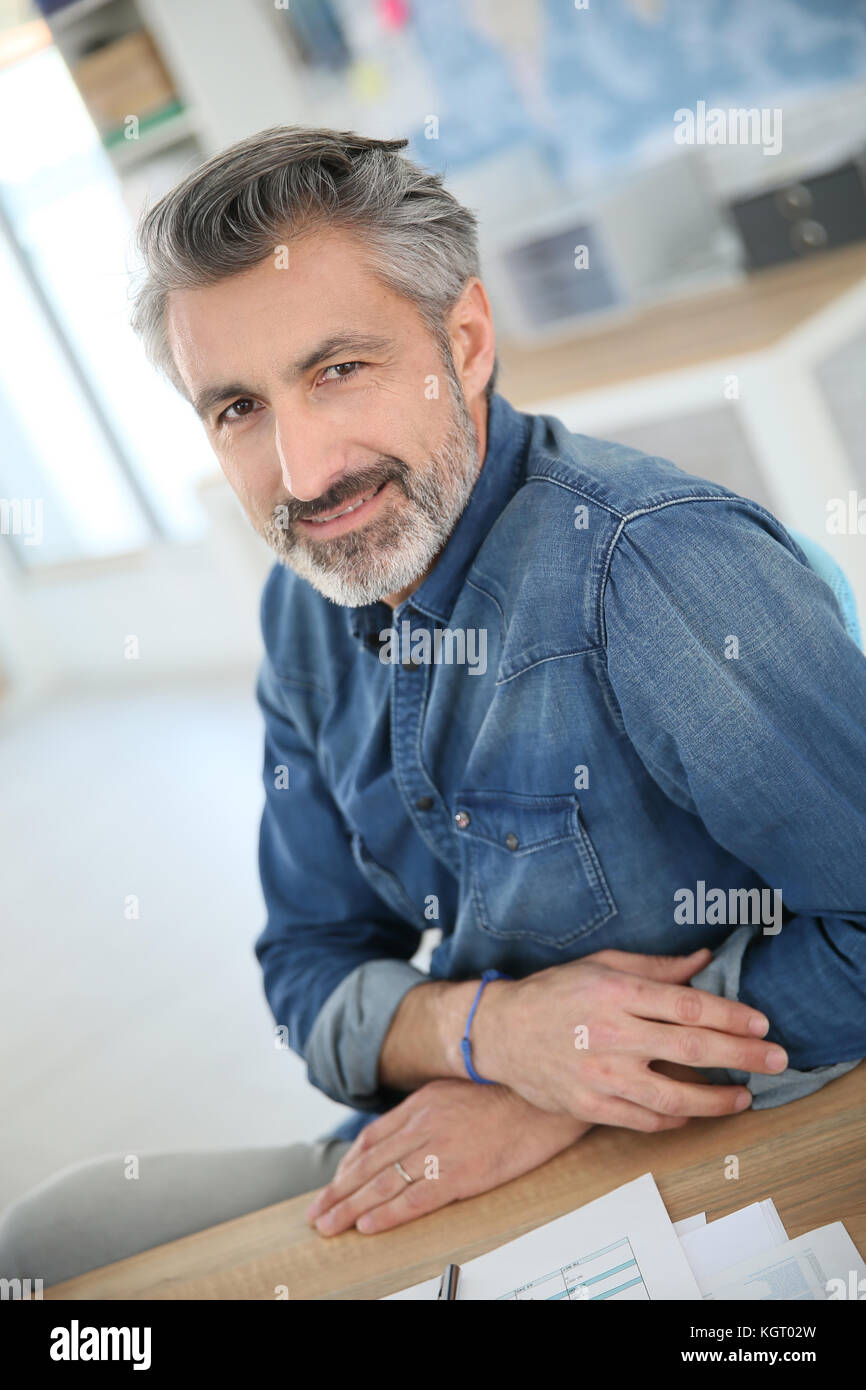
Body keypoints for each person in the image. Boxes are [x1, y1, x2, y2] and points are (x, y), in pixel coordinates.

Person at [2, 128, 863, 1288]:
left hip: (709, 1140)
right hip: (453, 1121)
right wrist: (490, 1039)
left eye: (337, 370)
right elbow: (307, 965)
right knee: (55, 1239)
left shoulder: (649, 573)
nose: (302, 476)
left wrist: (585, 1086)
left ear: (459, 341)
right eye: (238, 409)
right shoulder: (305, 610)